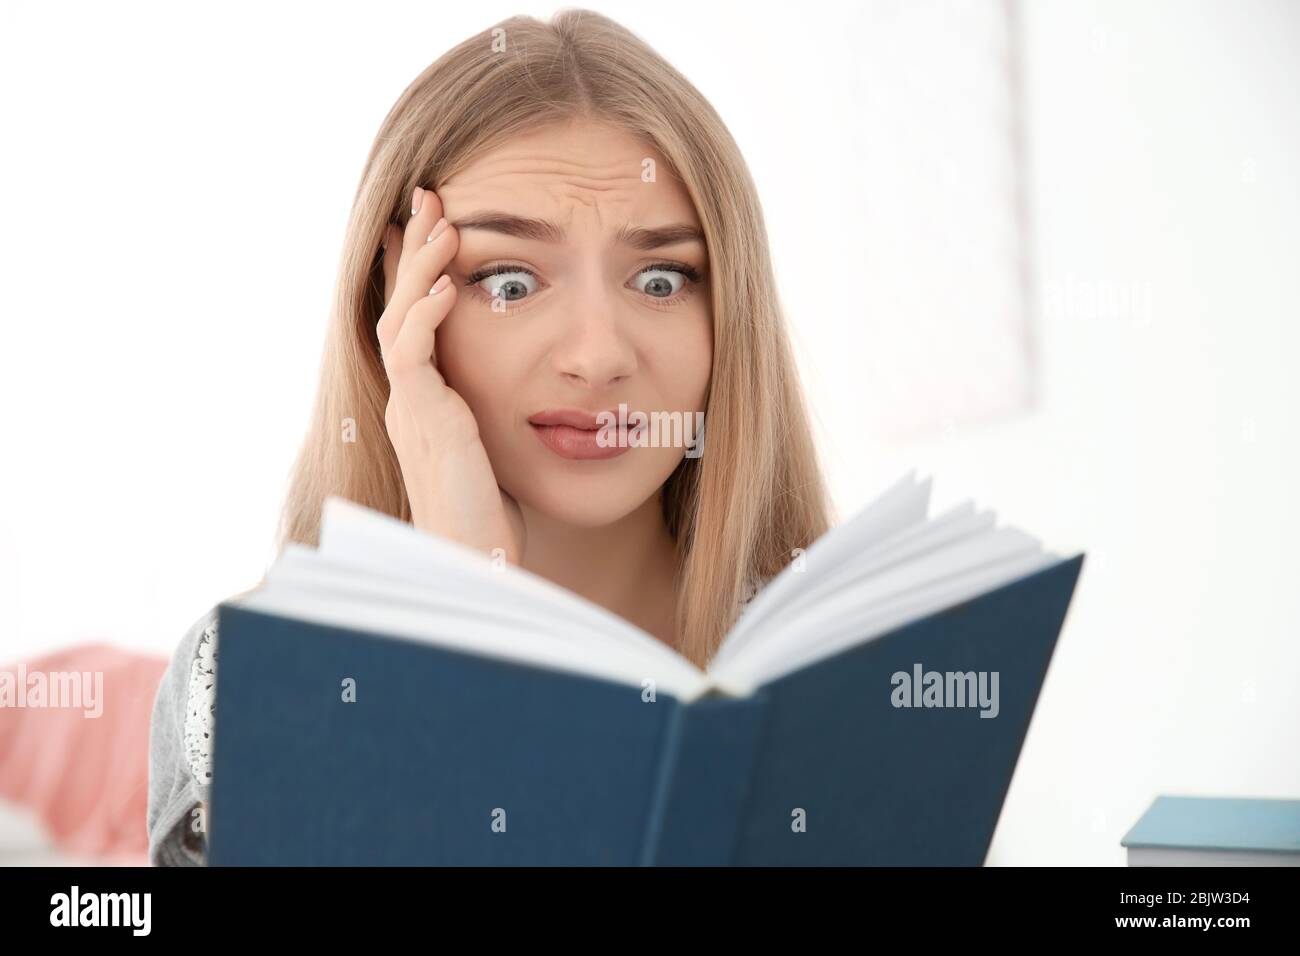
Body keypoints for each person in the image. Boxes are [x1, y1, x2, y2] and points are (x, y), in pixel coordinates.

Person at [148, 8, 831, 866]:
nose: (597, 355)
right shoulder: (249, 683)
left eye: (662, 278)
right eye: (508, 281)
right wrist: (462, 607)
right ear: (395, 309)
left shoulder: (839, 673)